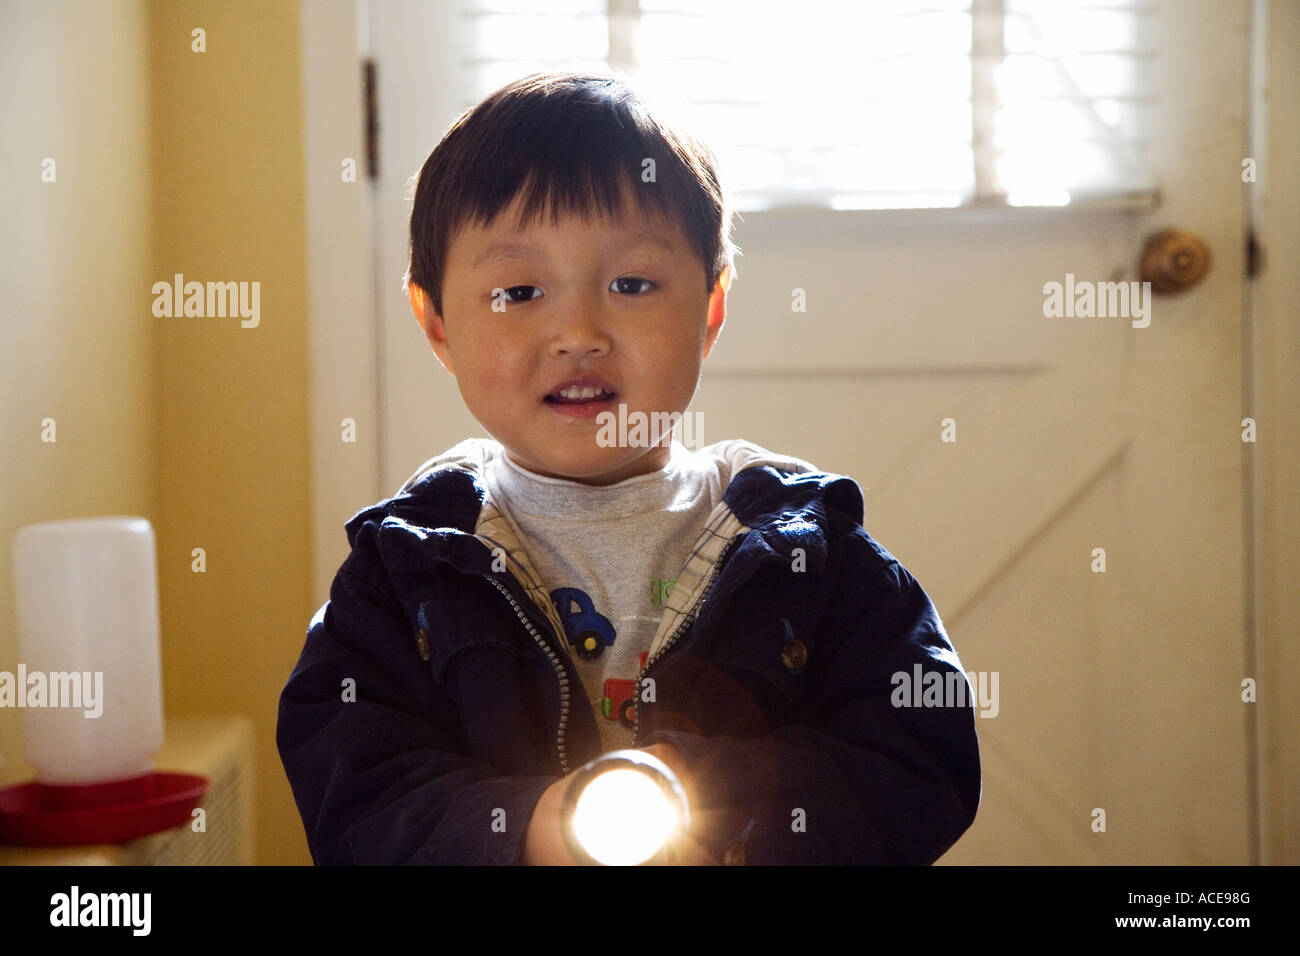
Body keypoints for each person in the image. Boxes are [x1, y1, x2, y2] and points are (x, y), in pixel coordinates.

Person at [277, 70, 981, 865]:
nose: (578, 331)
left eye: (632, 283)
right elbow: (357, 797)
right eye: (519, 290)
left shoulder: (805, 549)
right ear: (437, 322)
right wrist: (537, 826)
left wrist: (708, 790)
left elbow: (920, 762)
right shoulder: (405, 570)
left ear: (711, 307)